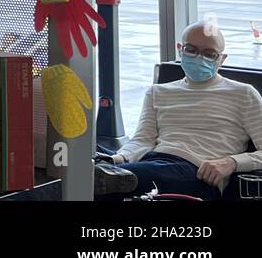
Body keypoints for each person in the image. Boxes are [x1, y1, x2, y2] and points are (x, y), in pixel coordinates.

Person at [95, 20, 262, 200]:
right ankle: (105, 173)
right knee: (94, 160)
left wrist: (232, 163)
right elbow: (142, 141)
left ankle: (103, 176)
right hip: (151, 162)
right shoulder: (157, 92)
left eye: (209, 54)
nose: (199, 57)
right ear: (180, 49)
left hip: (198, 173)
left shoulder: (243, 94)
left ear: (222, 59)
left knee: (106, 184)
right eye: (191, 50)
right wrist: (117, 159)